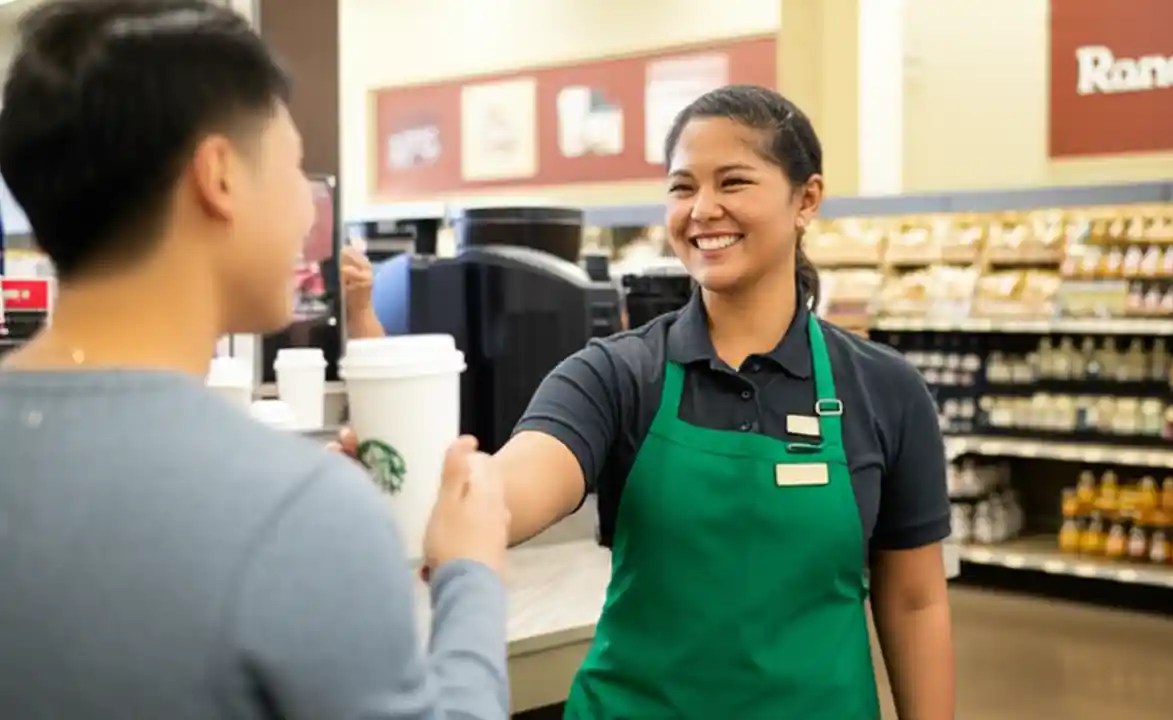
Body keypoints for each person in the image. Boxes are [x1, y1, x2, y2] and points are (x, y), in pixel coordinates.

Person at [0, 2, 510, 719]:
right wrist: (470, 572)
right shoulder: (301, 512)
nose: (309, 212)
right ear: (220, 176)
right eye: (297, 167)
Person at [496, 85, 956, 718]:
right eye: (683, 187)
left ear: (807, 199)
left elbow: (913, 601)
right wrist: (454, 497)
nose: (702, 209)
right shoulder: (618, 374)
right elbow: (522, 479)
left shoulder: (883, 388)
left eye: (733, 182)